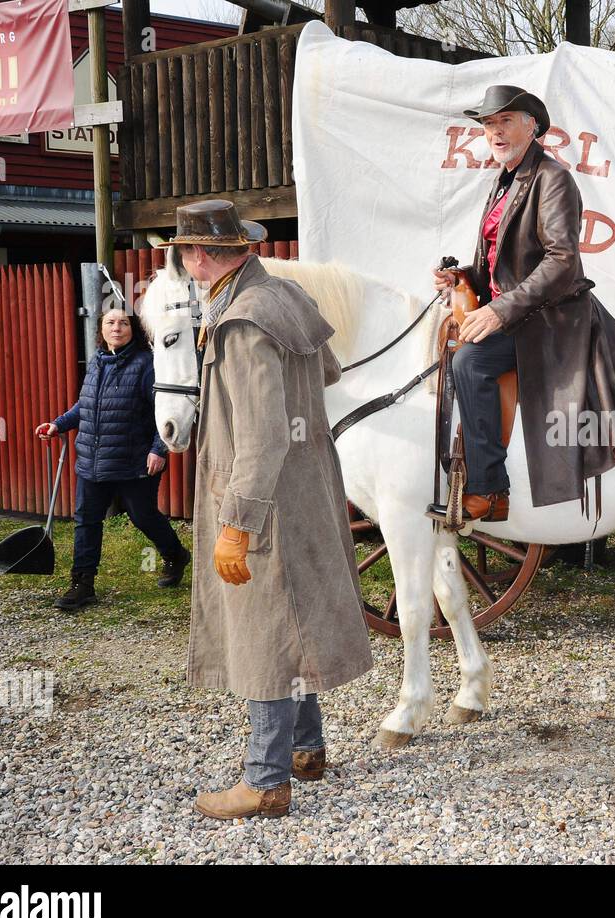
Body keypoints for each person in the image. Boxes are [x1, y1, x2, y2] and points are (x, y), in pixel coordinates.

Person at [163, 199, 373, 820]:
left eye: (182, 249)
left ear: (199, 254)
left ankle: (264, 780)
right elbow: (327, 371)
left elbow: (262, 436)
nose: (182, 258)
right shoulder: (282, 296)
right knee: (295, 618)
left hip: (268, 496)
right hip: (306, 486)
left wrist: (237, 522)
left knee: (264, 635)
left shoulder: (245, 320)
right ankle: (306, 749)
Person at [427, 84, 615, 525]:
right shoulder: (504, 181)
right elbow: (499, 261)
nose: (495, 132)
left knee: (470, 364)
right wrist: (463, 276)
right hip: (520, 311)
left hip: (550, 317)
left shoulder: (553, 178)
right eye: (488, 124)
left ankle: (489, 488)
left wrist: (499, 310)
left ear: (532, 126)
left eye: (505, 121)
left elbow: (562, 261)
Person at [35, 309, 189, 610]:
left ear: (134, 329)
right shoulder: (97, 361)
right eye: (110, 322)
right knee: (86, 521)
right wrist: (59, 424)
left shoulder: (147, 364)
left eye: (123, 322)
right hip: (93, 460)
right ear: (101, 330)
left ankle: (175, 555)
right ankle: (83, 584)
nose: (117, 327)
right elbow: (86, 404)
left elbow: (164, 407)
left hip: (135, 460)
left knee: (142, 516)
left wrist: (159, 448)